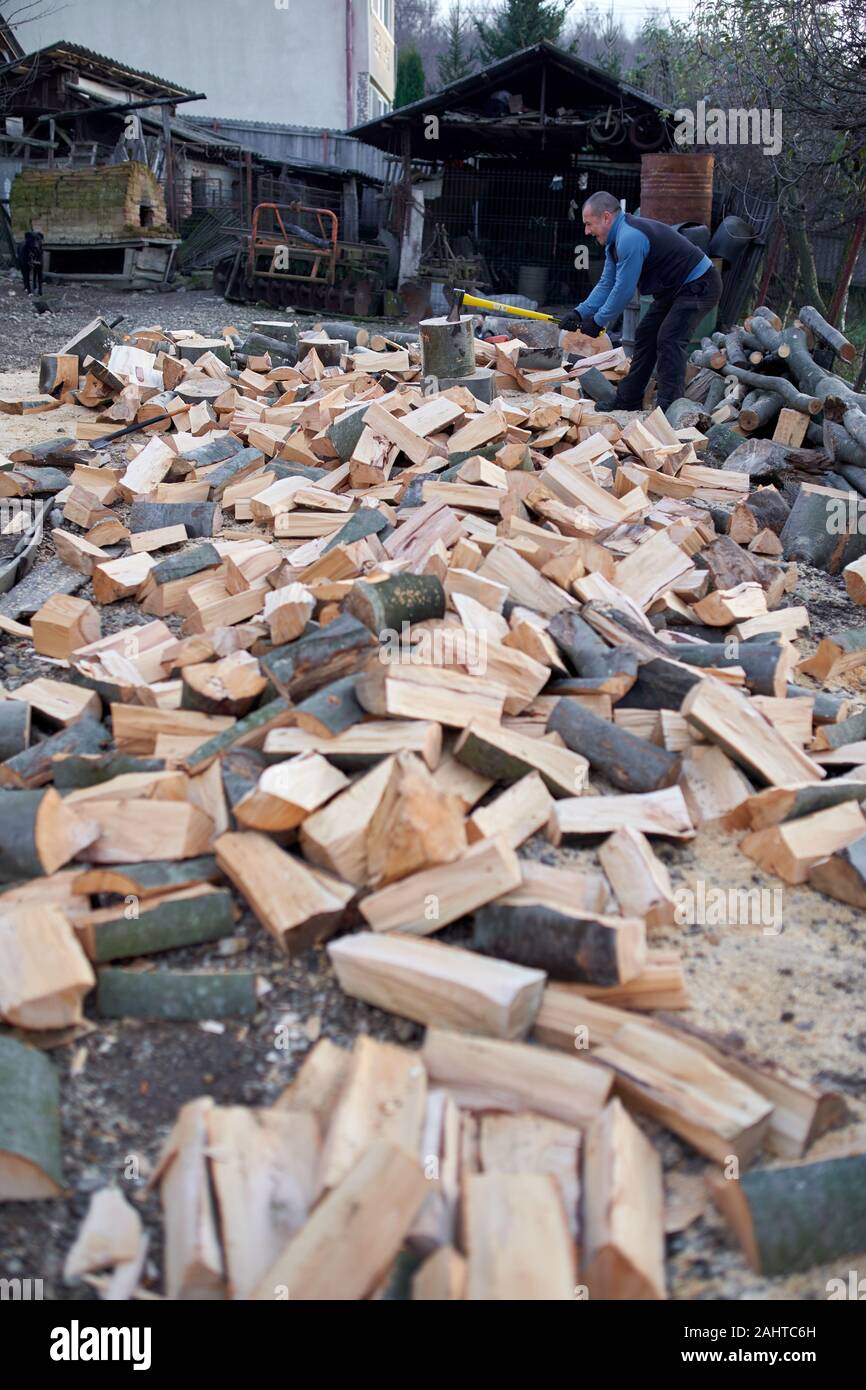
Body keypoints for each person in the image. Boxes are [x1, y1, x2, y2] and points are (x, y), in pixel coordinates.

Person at [559, 191, 722, 413]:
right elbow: (606, 283)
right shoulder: (614, 242)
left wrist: (598, 321)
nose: (587, 231)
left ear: (606, 217)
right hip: (675, 289)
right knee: (646, 334)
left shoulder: (629, 238)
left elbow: (623, 290)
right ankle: (628, 401)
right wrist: (579, 313)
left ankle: (670, 407)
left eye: (589, 224)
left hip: (699, 285)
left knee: (669, 338)